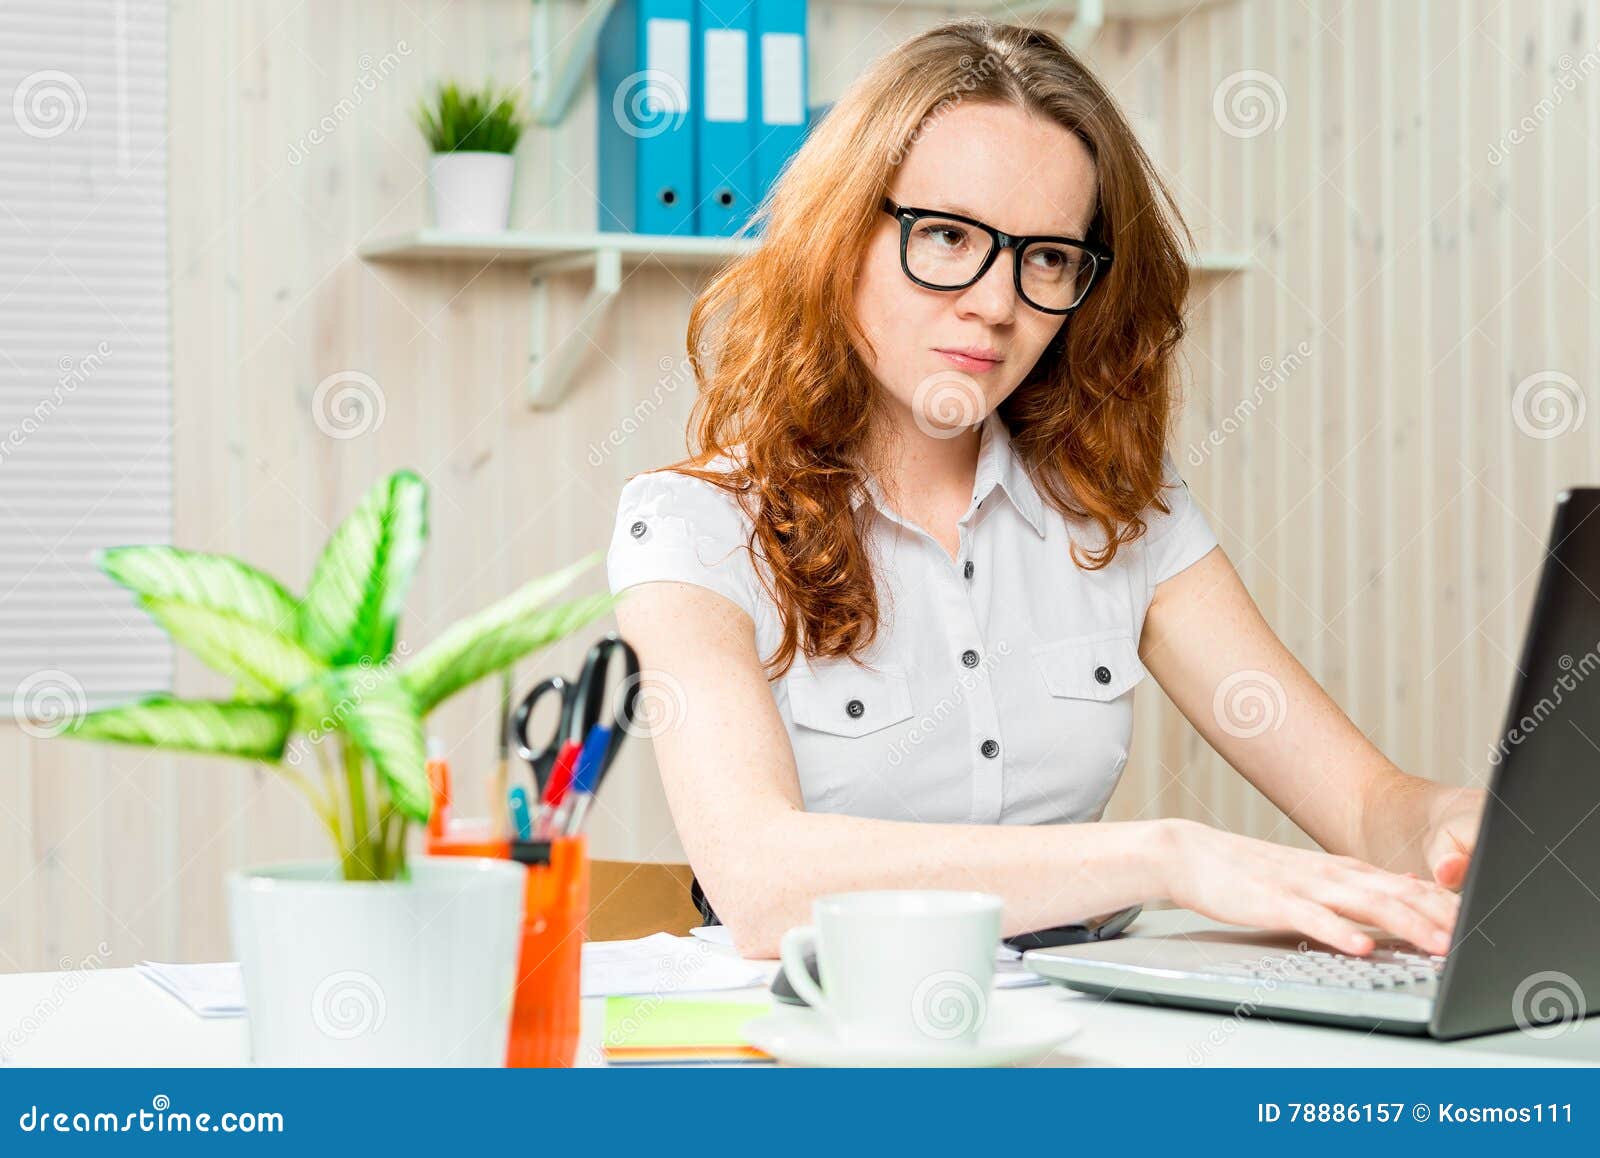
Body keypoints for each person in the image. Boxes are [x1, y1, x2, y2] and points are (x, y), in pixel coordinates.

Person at [605, 17, 1483, 959]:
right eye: (945, 235)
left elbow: (1362, 802)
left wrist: (1448, 826)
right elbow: (762, 882)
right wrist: (1165, 857)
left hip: (1081, 1038)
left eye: (1048, 257)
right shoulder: (694, 528)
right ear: (839, 236)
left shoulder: (1116, 511)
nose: (997, 302)